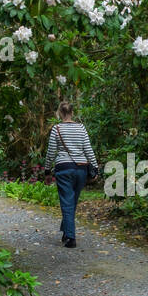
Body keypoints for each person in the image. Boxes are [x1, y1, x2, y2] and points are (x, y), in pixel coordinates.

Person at [42, 102, 99, 248]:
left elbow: (51, 152)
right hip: (81, 169)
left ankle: (71, 238)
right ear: (72, 113)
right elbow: (88, 149)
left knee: (67, 202)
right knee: (71, 202)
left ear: (60, 113)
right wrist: (95, 168)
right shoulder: (81, 128)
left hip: (64, 168)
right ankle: (66, 231)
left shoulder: (57, 128)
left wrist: (47, 170)